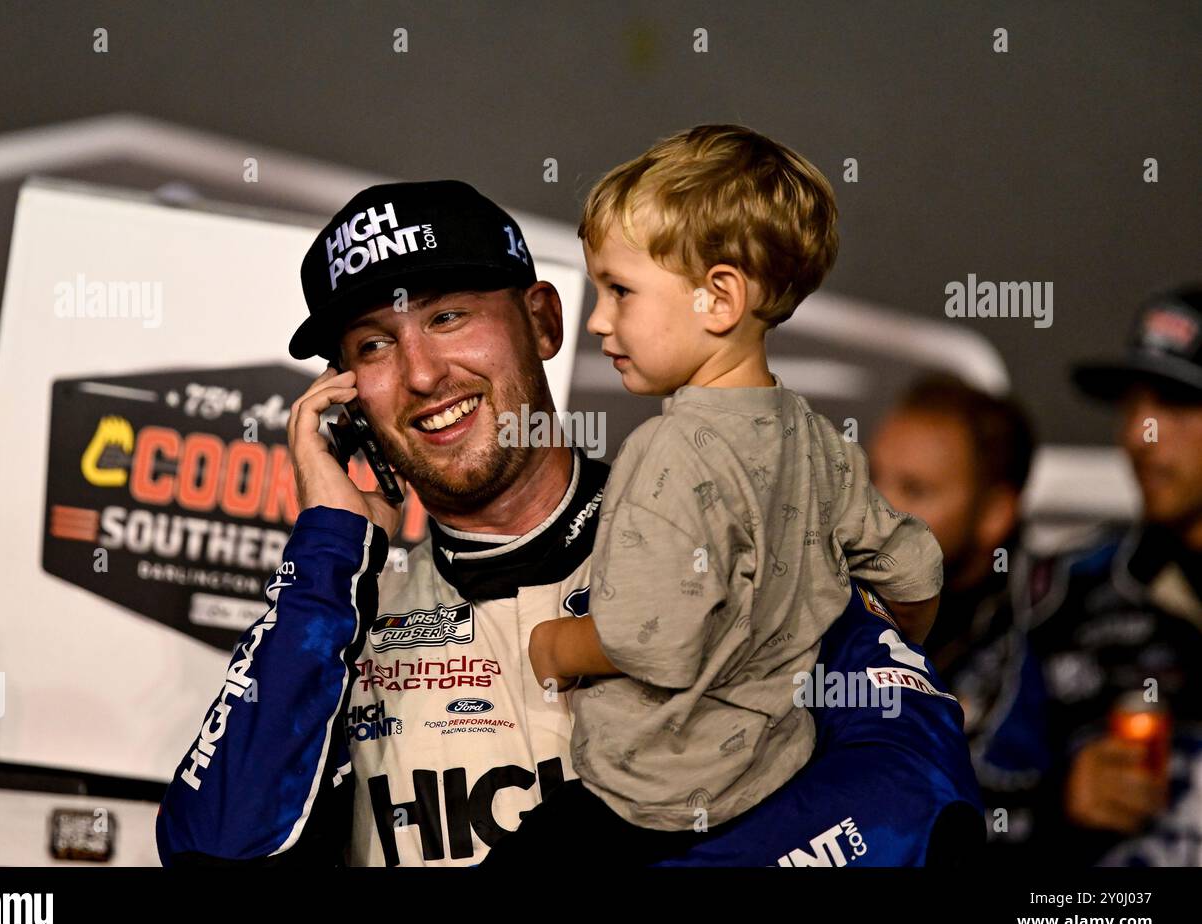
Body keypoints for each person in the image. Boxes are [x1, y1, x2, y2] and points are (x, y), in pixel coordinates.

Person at [155, 178, 981, 867]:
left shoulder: (742, 533)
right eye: (373, 345)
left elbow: (914, 790)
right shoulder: (338, 618)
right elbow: (211, 853)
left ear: (544, 321)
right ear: (344, 396)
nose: (421, 373)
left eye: (448, 317)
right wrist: (329, 552)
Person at [483, 126, 943, 865]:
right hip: (773, 784)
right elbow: (914, 568)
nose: (598, 319)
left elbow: (654, 642)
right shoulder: (817, 438)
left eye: (619, 291)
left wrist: (552, 642)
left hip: (647, 805)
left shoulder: (666, 453)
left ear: (719, 298)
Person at [1028, 285, 1202, 865]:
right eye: (1131, 407)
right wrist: (1061, 805)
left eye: (1174, 404)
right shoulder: (1062, 592)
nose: (1137, 437)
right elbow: (956, 800)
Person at [869, 374, 1049, 861]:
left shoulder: (1056, 632)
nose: (875, 512)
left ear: (993, 512)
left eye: (915, 489)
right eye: (872, 478)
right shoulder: (823, 610)